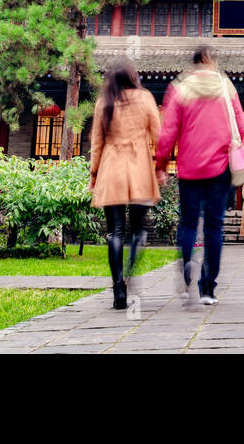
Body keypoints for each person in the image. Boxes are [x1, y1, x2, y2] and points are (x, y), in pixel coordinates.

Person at [155, 44, 244, 306]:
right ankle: (208, 287)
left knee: (187, 223)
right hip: (219, 168)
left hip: (189, 167)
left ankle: (186, 276)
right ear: (211, 61)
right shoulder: (226, 87)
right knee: (214, 226)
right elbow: (242, 125)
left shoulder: (180, 88)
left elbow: (168, 132)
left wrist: (161, 163)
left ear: (195, 62)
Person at [87, 58, 161, 310]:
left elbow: (97, 142)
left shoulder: (104, 102)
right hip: (139, 168)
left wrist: (93, 174)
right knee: (138, 230)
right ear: (132, 76)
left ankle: (118, 287)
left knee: (114, 232)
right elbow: (159, 136)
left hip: (112, 168)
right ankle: (130, 272)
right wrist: (161, 166)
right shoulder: (145, 98)